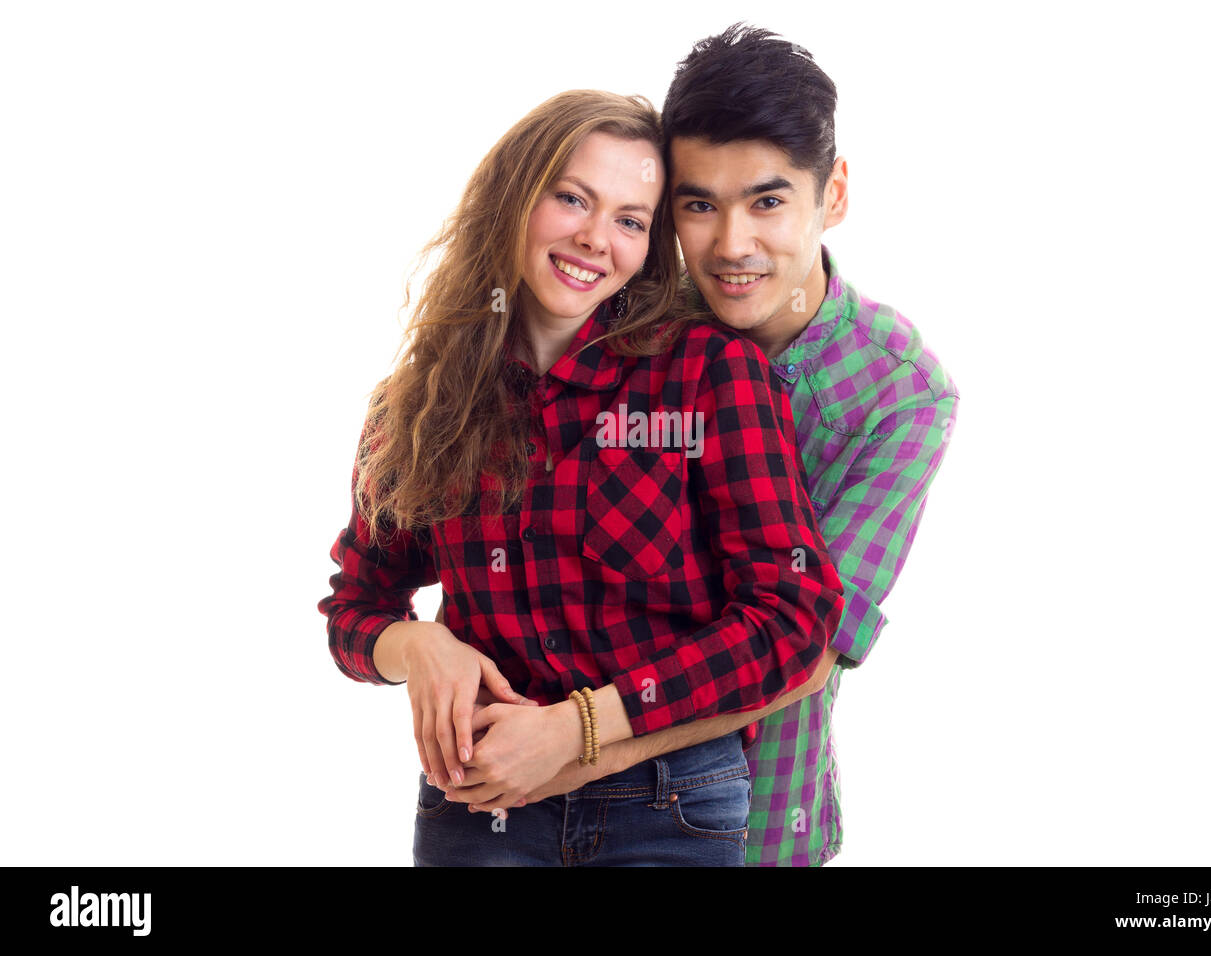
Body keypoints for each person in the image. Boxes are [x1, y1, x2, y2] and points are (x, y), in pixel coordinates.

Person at [456, 25, 960, 868]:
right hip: (525, 825)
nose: (730, 247)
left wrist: (571, 747)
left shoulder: (900, 393)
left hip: (763, 814)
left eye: (767, 202)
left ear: (832, 193)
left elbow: (803, 646)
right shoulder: (617, 315)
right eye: (698, 204)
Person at [317, 89, 845, 866]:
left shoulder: (706, 373)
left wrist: (583, 726)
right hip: (478, 806)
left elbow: (796, 617)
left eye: (631, 220)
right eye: (572, 199)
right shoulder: (423, 400)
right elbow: (356, 604)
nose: (597, 239)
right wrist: (421, 646)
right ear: (514, 197)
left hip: (672, 809)